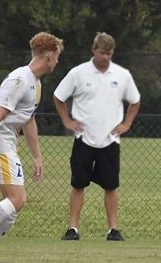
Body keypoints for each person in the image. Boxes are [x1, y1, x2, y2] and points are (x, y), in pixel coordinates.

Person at [0, 32, 64, 263]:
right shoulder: (19, 80)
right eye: (56, 56)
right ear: (48, 55)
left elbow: (29, 120)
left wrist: (37, 157)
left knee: (14, 204)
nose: (57, 61)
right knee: (18, 199)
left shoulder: (35, 84)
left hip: (7, 145)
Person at [54, 32, 140, 241]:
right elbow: (58, 96)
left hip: (110, 140)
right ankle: (73, 228)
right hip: (84, 139)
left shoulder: (122, 75)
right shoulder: (78, 73)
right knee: (78, 184)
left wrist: (127, 124)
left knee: (111, 186)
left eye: (109, 53)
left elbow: (135, 100)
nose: (105, 57)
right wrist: (67, 121)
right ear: (94, 51)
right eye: (102, 53)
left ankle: (113, 229)